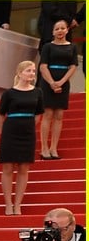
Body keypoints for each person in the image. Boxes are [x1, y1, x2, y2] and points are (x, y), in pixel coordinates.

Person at [0, 61, 43, 216]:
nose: (32, 73)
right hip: (10, 131)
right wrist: (3, 133)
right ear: (20, 72)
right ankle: (8, 204)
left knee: (24, 168)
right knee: (8, 168)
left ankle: (18, 204)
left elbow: (38, 113)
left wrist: (28, 125)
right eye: (28, 70)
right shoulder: (9, 93)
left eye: (33, 71)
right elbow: (0, 114)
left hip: (28, 132)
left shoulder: (37, 92)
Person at [39, 19, 78, 160]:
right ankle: (44, 148)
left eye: (63, 28)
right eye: (57, 29)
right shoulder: (47, 46)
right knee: (47, 114)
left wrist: (61, 82)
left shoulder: (73, 47)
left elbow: (73, 66)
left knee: (59, 116)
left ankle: (54, 148)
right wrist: (52, 83)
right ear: (53, 32)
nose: (60, 31)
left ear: (67, 30)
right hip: (48, 82)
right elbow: (43, 66)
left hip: (64, 82)